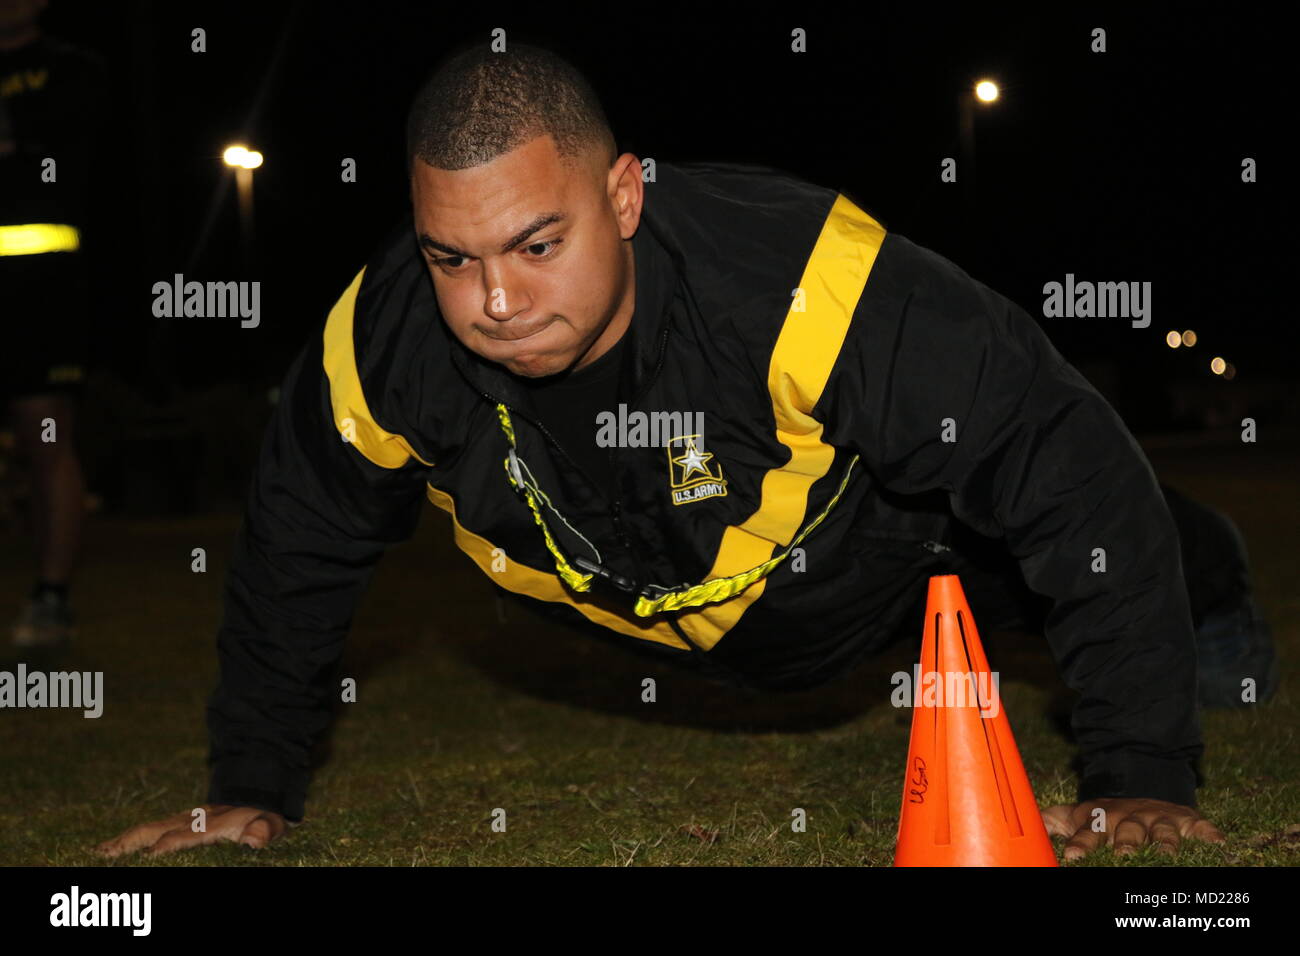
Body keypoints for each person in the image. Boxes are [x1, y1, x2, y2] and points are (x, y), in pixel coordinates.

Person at [96, 40, 1275, 861]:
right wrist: (249, 784)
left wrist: (1137, 771)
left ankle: (1212, 588)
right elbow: (294, 552)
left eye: (534, 241)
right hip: (638, 596)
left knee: (1097, 531)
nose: (493, 300)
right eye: (451, 258)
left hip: (881, 563)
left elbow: (1062, 459)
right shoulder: (384, 341)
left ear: (622, 194)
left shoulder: (807, 277)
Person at [1, 0, 105, 653]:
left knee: (45, 435)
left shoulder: (70, 69)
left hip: (37, 285)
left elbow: (74, 158)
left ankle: (51, 597)